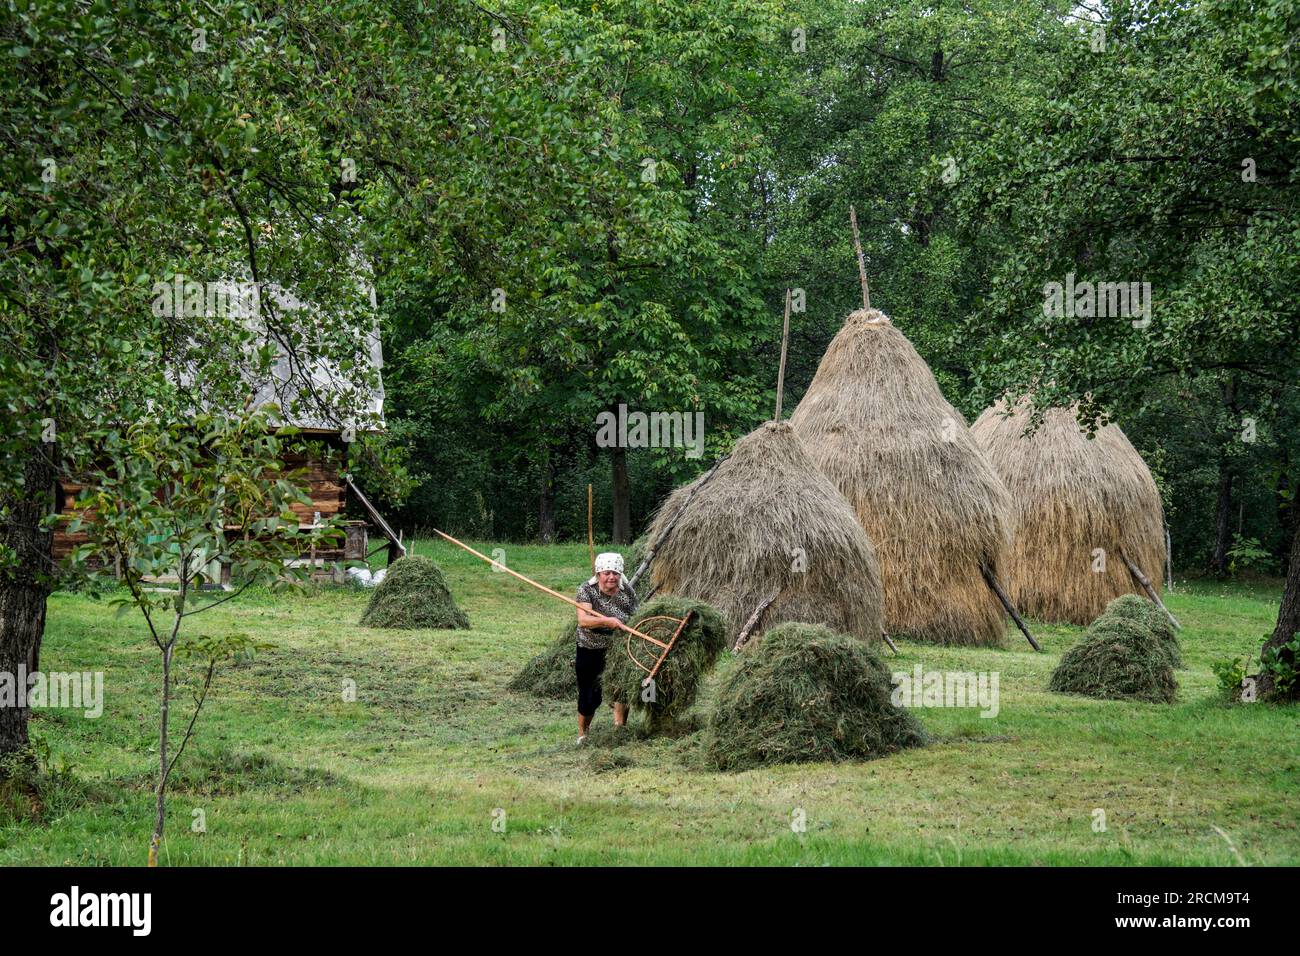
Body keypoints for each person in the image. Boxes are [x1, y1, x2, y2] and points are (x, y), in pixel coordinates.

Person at [573, 552, 638, 743]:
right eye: (607, 573)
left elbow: (637, 617)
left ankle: (619, 729)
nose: (612, 577)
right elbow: (583, 620)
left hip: (618, 647)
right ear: (599, 574)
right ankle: (583, 733)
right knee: (590, 695)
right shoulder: (586, 590)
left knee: (622, 688)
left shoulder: (627, 592)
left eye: (616, 573)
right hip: (590, 647)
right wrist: (607, 621)